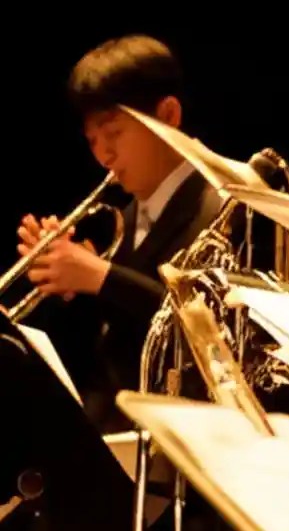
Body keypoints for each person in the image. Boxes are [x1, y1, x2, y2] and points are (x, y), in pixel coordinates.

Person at [15, 34, 223, 433]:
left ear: (168, 115)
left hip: (179, 441)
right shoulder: (125, 218)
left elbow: (214, 334)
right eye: (93, 140)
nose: (103, 155)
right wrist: (63, 276)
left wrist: (101, 276)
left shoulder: (223, 207)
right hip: (109, 429)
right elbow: (117, 334)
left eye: (114, 133)